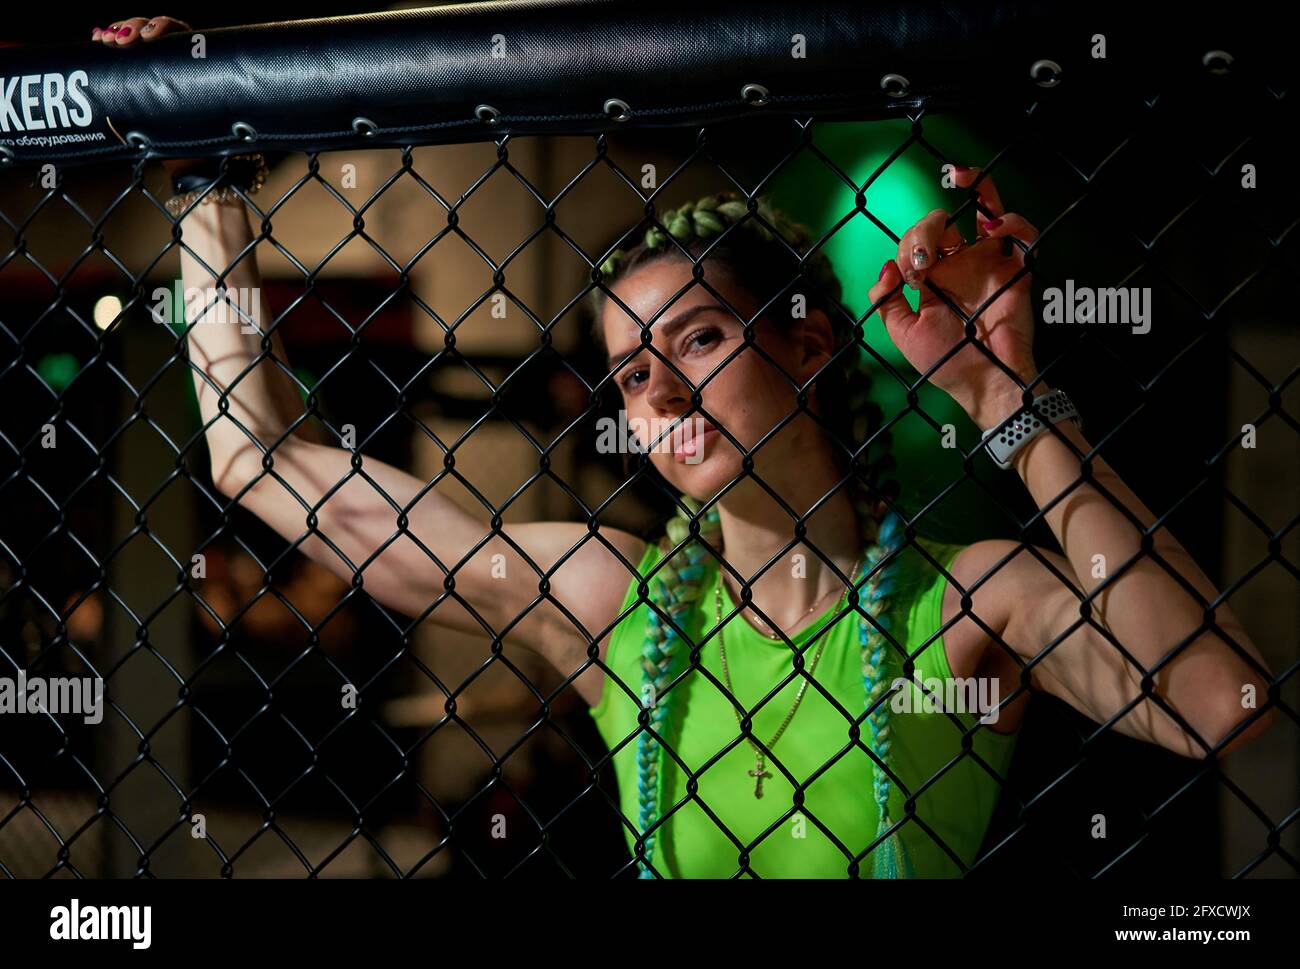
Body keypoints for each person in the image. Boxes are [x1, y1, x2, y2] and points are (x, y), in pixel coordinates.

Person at [99, 17, 1275, 878]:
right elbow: (262, 462)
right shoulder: (618, 601)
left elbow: (1222, 701)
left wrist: (1006, 397)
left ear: (809, 347)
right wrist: (207, 182)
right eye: (628, 367)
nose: (656, 384)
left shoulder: (970, 605)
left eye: (699, 336)